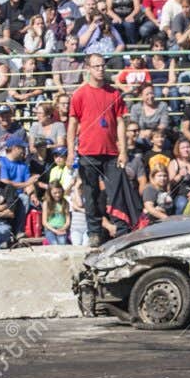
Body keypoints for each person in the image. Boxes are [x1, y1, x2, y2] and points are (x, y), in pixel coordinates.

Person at [66, 52, 126, 247]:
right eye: (96, 66)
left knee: (115, 191)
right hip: (88, 151)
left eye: (102, 66)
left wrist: (123, 149)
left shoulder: (114, 93)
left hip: (110, 152)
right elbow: (72, 124)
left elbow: (120, 123)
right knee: (90, 194)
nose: (100, 69)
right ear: (88, 68)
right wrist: (70, 151)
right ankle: (94, 232)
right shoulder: (80, 94)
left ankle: (121, 228)